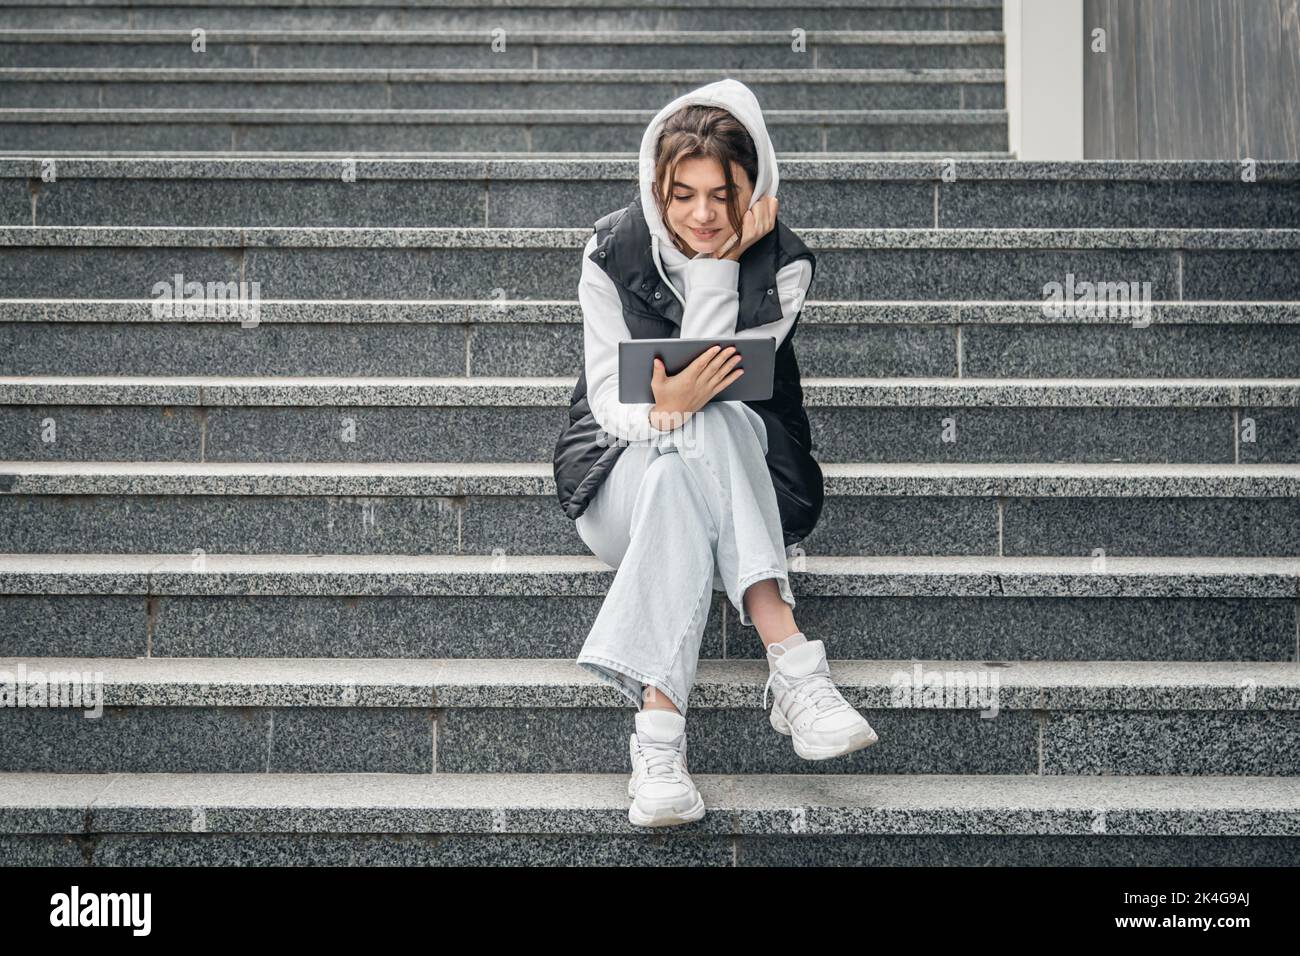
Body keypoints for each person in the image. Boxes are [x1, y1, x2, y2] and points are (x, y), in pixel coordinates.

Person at [552, 79, 878, 828]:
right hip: (613, 488)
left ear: (753, 187)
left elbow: (717, 377)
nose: (702, 215)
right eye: (682, 194)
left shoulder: (786, 265)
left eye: (723, 196)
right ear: (655, 189)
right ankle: (795, 669)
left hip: (734, 483)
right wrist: (664, 407)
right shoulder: (608, 251)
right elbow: (607, 402)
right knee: (695, 431)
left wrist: (719, 270)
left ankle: (657, 746)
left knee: (711, 428)